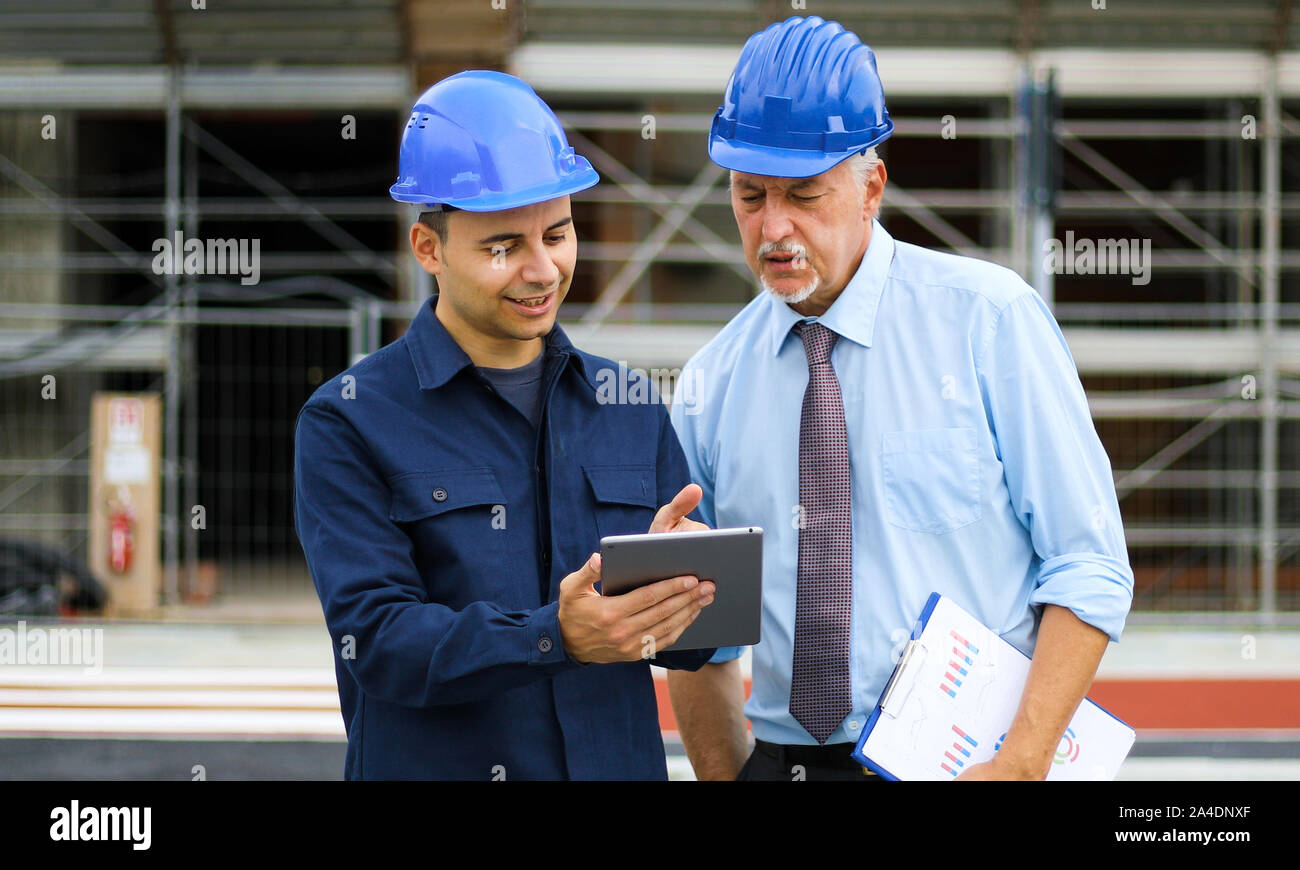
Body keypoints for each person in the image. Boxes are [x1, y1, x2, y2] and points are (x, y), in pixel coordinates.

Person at [667, 16, 1134, 781]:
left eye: (804, 197)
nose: (773, 229)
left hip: (970, 764)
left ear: (870, 189)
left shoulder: (990, 323)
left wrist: (1022, 763)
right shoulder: (711, 382)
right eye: (750, 197)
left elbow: (1089, 564)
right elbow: (703, 633)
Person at [294, 70, 716, 781]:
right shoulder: (349, 420)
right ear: (429, 249)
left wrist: (692, 594)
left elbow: (689, 648)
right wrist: (555, 636)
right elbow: (379, 641)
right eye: (503, 247)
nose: (543, 269)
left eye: (558, 233)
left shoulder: (627, 402)